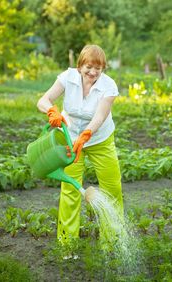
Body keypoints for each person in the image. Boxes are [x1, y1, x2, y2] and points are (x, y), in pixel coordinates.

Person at [37, 44, 124, 243]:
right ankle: (67, 243)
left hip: (99, 139)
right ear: (80, 66)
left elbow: (101, 115)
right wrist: (51, 111)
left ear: (103, 69)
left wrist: (87, 134)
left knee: (112, 187)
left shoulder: (108, 85)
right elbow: (44, 100)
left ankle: (112, 242)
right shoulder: (67, 78)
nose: (93, 72)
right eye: (89, 67)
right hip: (70, 140)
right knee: (70, 188)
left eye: (98, 68)